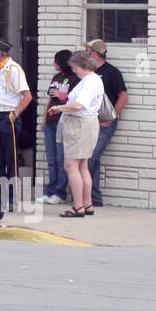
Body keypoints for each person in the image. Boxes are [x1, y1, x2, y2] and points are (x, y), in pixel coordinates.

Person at [49, 51, 103, 217]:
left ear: (83, 66)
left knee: (71, 165)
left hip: (79, 125)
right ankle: (87, 204)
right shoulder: (95, 80)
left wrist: (58, 107)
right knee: (82, 166)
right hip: (87, 124)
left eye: (75, 67)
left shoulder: (88, 82)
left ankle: (78, 206)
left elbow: (79, 105)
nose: (74, 71)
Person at [83, 39, 128, 207]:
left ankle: (93, 196)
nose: (85, 53)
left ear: (94, 53)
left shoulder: (112, 72)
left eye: (87, 50)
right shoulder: (87, 73)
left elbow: (123, 97)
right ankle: (89, 195)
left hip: (103, 122)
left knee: (92, 157)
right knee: (88, 157)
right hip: (88, 120)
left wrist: (111, 117)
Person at [0, 37, 32, 181]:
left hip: (8, 116)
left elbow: (27, 96)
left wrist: (15, 114)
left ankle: (13, 196)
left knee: (11, 158)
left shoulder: (13, 69)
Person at [38, 50, 78, 204]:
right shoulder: (56, 77)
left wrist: (62, 96)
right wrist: (44, 119)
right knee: (51, 158)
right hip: (51, 121)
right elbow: (50, 99)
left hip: (64, 121)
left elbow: (74, 101)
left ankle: (60, 193)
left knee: (62, 159)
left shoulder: (74, 79)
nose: (54, 64)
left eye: (56, 61)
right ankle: (50, 191)